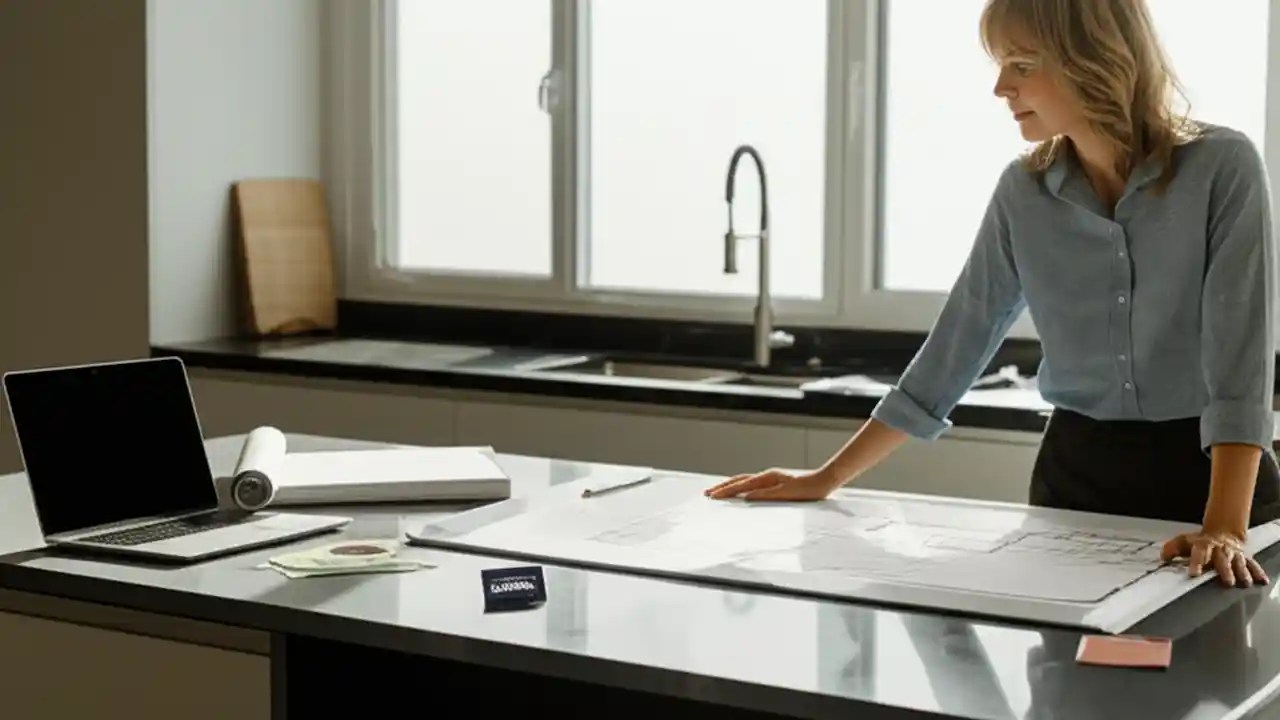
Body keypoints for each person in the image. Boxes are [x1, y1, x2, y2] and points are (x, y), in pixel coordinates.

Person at [706, 0, 1280, 589]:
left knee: (1214, 677)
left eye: (1022, 64)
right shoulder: (1023, 194)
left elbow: (1241, 358)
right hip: (1075, 481)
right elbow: (957, 344)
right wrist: (827, 477)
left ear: (1095, 58)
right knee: (1065, 677)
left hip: (1218, 484)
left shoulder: (1221, 168)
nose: (1001, 87)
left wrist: (1225, 527)